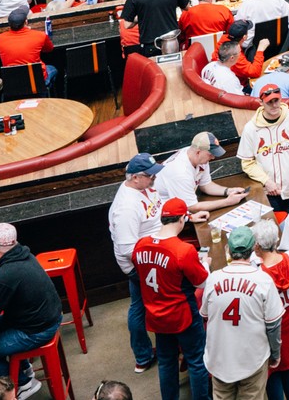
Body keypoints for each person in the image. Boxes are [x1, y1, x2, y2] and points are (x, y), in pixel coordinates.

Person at [0, 223, 63, 397]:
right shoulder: (24, 255)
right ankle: (25, 368)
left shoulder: (6, 274)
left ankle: (24, 383)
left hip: (37, 330)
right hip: (47, 318)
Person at [134, 199, 212, 400]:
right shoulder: (183, 250)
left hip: (156, 315)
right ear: (182, 219)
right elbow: (203, 282)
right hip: (182, 315)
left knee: (166, 361)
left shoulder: (140, 245)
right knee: (196, 361)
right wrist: (204, 263)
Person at [200, 226, 283, 400]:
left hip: (220, 359)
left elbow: (205, 316)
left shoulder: (213, 278)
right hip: (252, 359)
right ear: (253, 249)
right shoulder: (263, 280)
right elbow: (273, 325)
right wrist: (275, 353)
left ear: (228, 250)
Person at [108, 155, 163, 373]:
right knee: (147, 307)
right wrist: (159, 261)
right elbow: (128, 250)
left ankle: (144, 356)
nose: (154, 178)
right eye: (150, 175)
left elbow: (157, 212)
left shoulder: (143, 187)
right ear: (135, 177)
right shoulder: (127, 208)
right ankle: (148, 354)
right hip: (140, 265)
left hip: (151, 255)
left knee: (139, 306)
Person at [238, 86, 289, 213]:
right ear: (261, 103)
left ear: (281, 99)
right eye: (269, 102)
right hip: (269, 192)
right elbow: (247, 163)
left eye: (276, 100)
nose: (274, 105)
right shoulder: (250, 128)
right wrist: (266, 181)